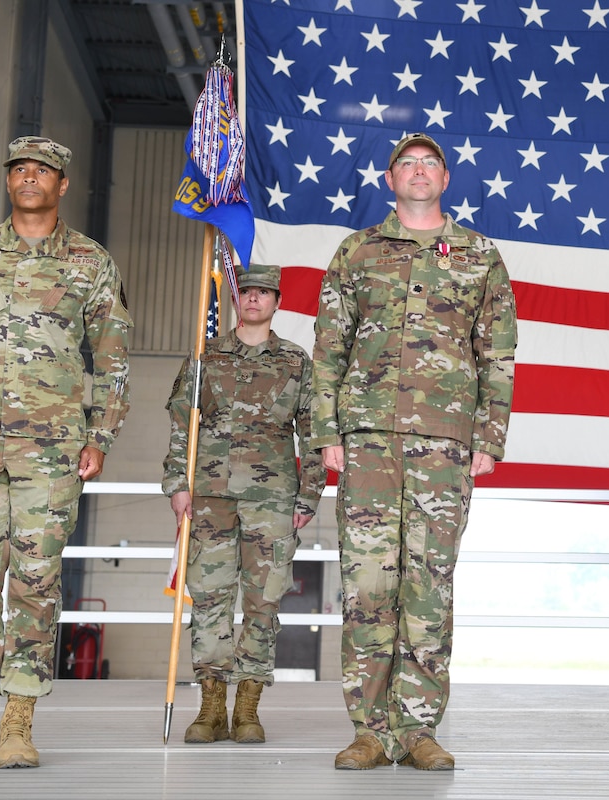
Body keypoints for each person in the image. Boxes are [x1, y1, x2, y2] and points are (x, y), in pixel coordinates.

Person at [0, 136, 132, 769]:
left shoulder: (90, 263)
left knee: (35, 584)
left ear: (63, 185)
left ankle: (18, 724)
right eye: (20, 169)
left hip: (53, 450)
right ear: (9, 180)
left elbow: (113, 359)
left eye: (43, 171)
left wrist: (101, 436)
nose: (30, 178)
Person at [311, 132, 517, 771]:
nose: (420, 172)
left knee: (429, 584)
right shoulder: (356, 252)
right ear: (390, 178)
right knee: (368, 583)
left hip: (444, 443)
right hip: (368, 440)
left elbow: (498, 354)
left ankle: (419, 728)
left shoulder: (480, 255)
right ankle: (370, 730)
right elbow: (329, 349)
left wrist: (489, 439)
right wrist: (326, 433)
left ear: (446, 179)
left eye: (431, 164)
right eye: (409, 163)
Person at [162, 262, 324, 744]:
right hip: (209, 497)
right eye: (247, 292)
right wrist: (177, 483)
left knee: (263, 602)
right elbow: (180, 427)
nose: (254, 299)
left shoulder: (296, 361)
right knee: (210, 601)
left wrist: (309, 494)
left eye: (263, 293)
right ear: (236, 300)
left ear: (277, 302)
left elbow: (313, 434)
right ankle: (210, 707)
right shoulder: (203, 356)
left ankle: (248, 708)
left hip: (273, 499)